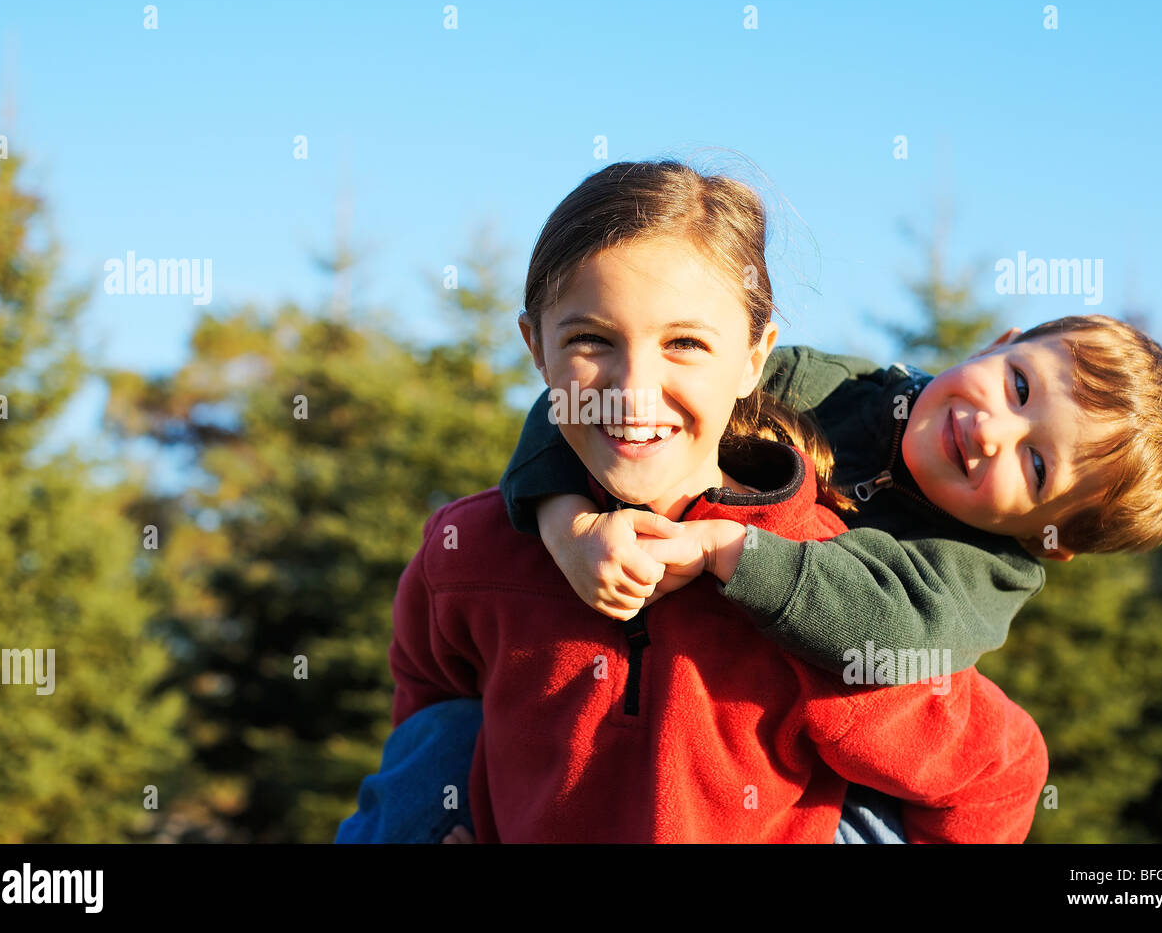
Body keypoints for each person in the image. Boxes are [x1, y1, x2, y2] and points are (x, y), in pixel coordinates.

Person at [338, 160, 1048, 843]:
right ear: (536, 347)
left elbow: (998, 773)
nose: (633, 387)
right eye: (590, 339)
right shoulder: (474, 547)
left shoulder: (822, 593)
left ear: (753, 356)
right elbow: (432, 697)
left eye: (684, 343)